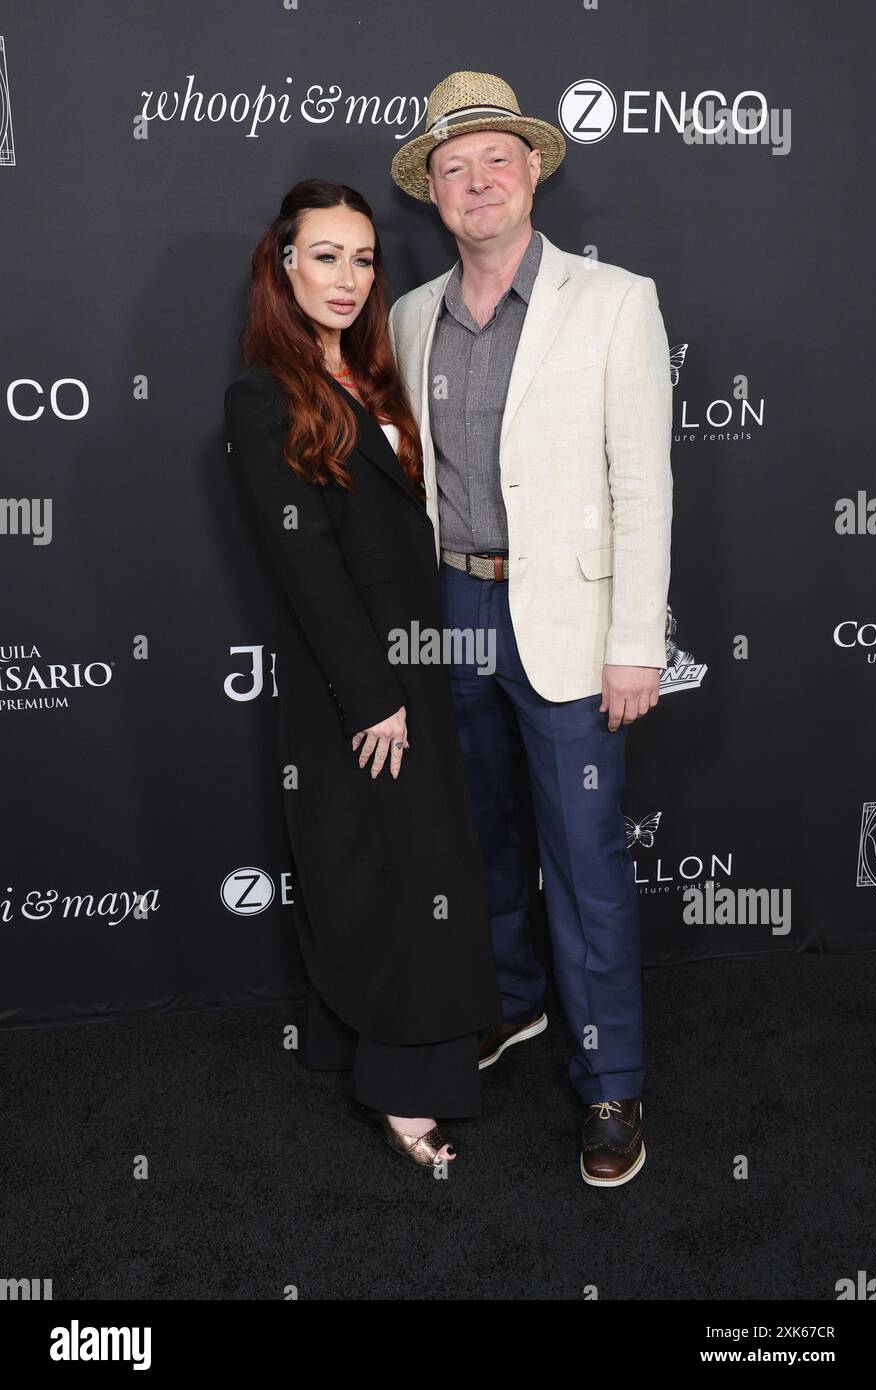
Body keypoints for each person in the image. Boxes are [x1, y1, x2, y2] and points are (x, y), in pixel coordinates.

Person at [388, 71, 673, 1186]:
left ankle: (610, 1081)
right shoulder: (410, 316)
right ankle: (509, 1006)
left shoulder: (616, 301)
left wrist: (635, 639)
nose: (475, 181)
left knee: (587, 859)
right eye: (452, 169)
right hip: (450, 607)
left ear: (534, 169)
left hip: (565, 617)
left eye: (494, 160)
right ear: (434, 196)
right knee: (482, 837)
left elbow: (642, 484)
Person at [224, 179, 501, 1168]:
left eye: (364, 257)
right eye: (326, 255)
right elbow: (303, 565)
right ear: (283, 264)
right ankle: (403, 1092)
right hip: (359, 686)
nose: (349, 278)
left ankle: (377, 1047)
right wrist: (372, 694)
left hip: (416, 666)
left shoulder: (377, 377)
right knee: (387, 878)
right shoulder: (262, 396)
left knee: (406, 870)